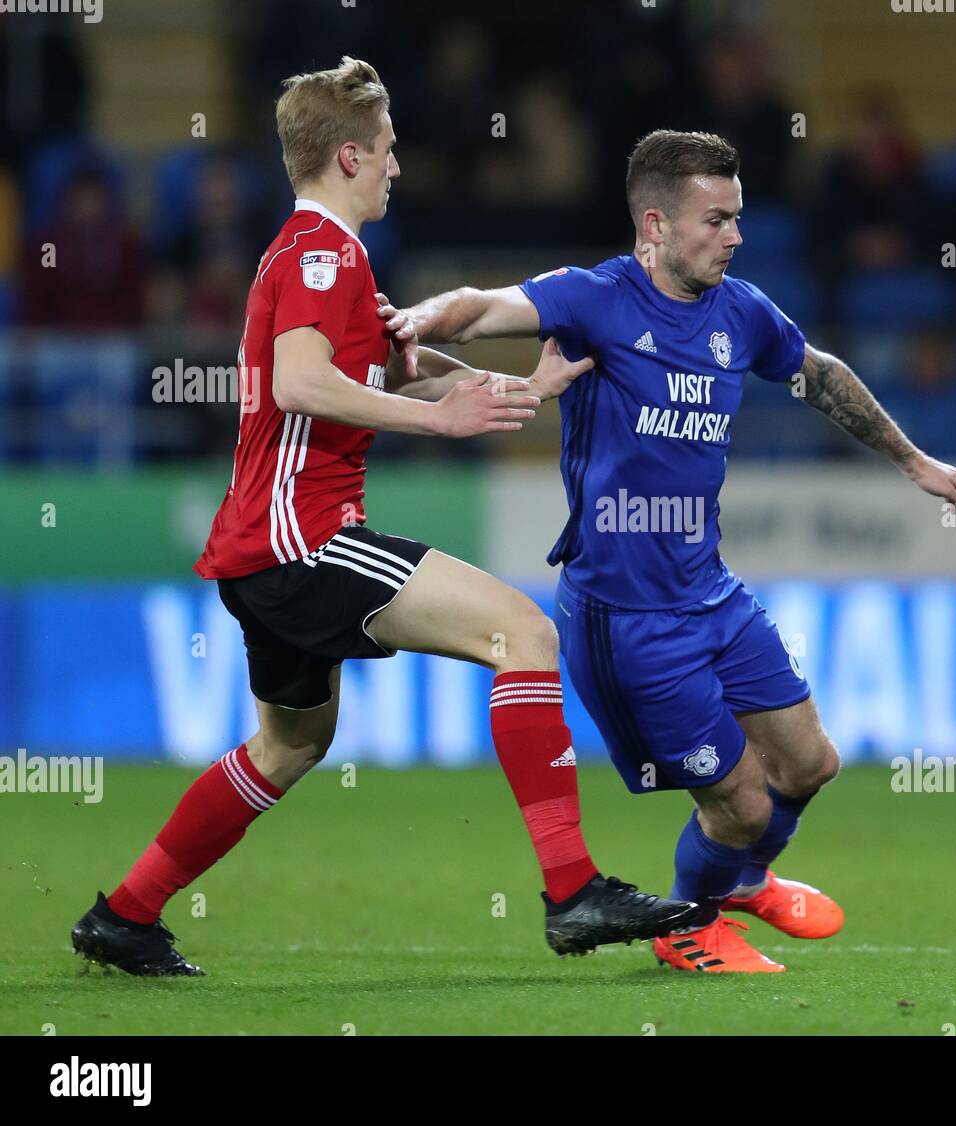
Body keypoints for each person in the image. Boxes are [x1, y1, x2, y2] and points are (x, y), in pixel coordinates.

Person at [70, 60, 694, 978]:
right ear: (351, 155)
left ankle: (124, 915)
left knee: (289, 746)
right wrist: (441, 419)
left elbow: (392, 367)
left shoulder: (315, 255)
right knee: (521, 629)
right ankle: (572, 891)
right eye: (392, 151)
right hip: (302, 539)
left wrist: (516, 386)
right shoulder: (327, 253)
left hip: (264, 545)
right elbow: (301, 382)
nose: (399, 168)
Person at [382, 130, 956, 972]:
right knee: (740, 804)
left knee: (811, 763)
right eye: (717, 220)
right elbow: (480, 307)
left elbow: (815, 372)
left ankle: (737, 886)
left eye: (738, 218)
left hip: (711, 595)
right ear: (657, 225)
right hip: (626, 619)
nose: (735, 236)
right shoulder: (595, 299)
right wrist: (418, 318)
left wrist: (915, 461)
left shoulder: (740, 311)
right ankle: (690, 926)